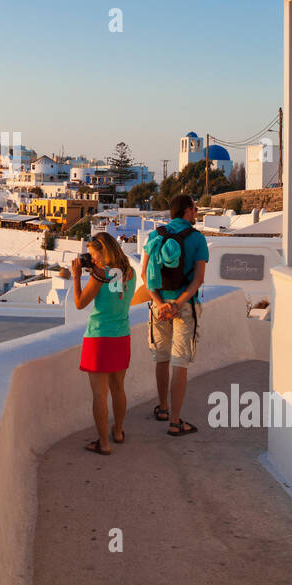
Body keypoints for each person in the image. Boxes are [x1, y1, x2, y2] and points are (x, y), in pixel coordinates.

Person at [141, 194, 208, 436]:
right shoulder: (198, 239)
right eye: (195, 208)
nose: (197, 211)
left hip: (158, 307)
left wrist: (160, 303)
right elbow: (198, 279)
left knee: (161, 358)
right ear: (188, 211)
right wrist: (178, 304)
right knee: (180, 362)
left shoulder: (154, 236)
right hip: (185, 307)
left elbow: (145, 277)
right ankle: (176, 422)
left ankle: (163, 408)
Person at [71, 232, 138, 455]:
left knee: (99, 395)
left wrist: (76, 275)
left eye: (95, 255)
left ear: (105, 252)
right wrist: (96, 270)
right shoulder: (130, 273)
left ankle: (103, 443)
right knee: (118, 388)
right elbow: (114, 283)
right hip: (121, 336)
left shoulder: (99, 277)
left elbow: (80, 303)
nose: (93, 259)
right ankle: (118, 432)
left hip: (99, 337)